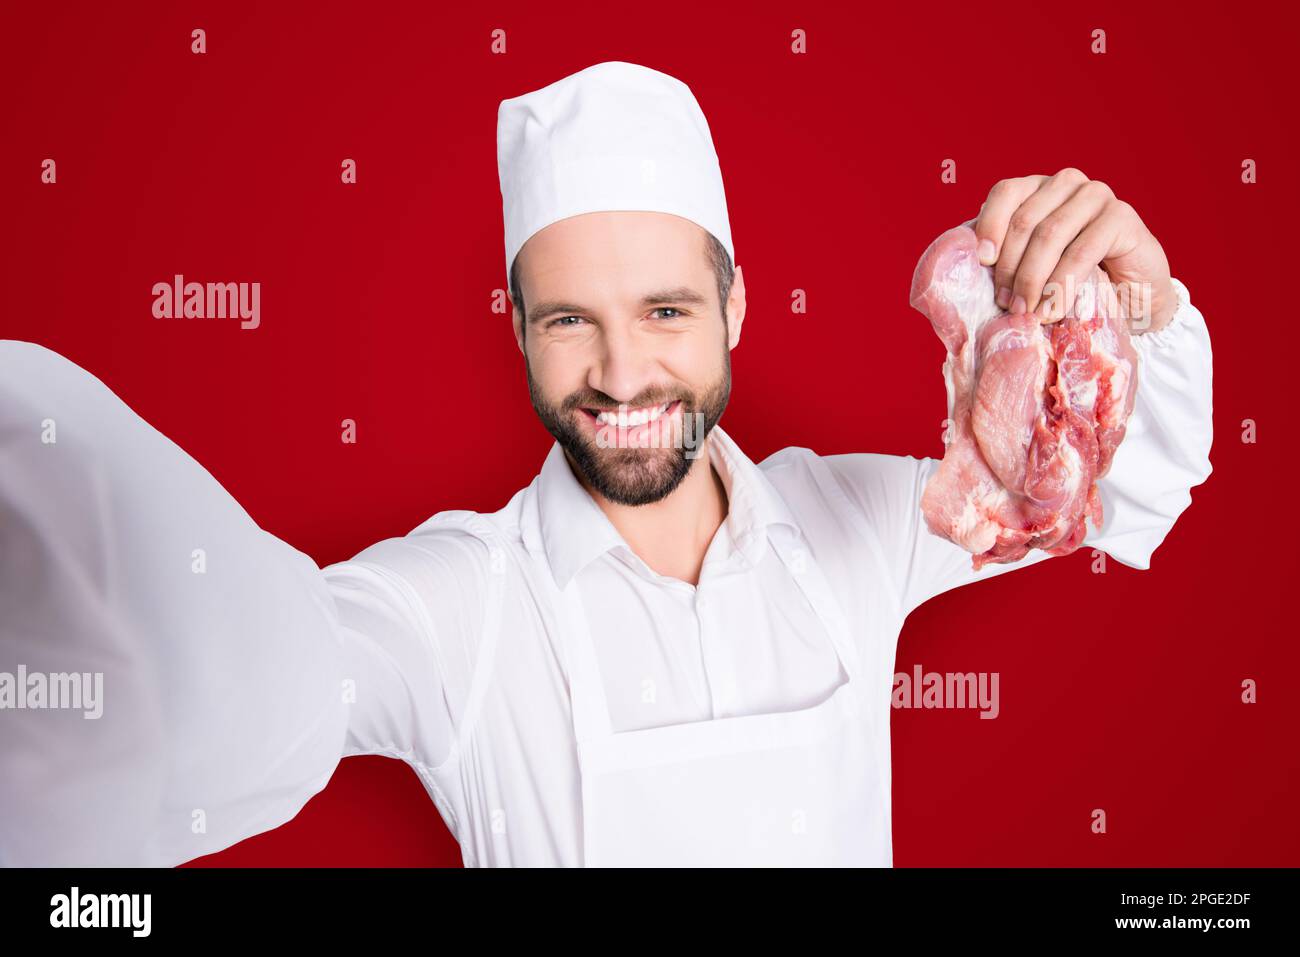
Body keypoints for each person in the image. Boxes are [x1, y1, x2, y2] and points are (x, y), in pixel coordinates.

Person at [0, 60, 1213, 867]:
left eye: (668, 313)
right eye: (568, 319)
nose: (621, 375)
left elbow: (1135, 488)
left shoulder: (862, 526)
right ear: (518, 327)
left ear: (737, 307)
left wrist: (1134, 305)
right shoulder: (462, 607)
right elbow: (252, 674)